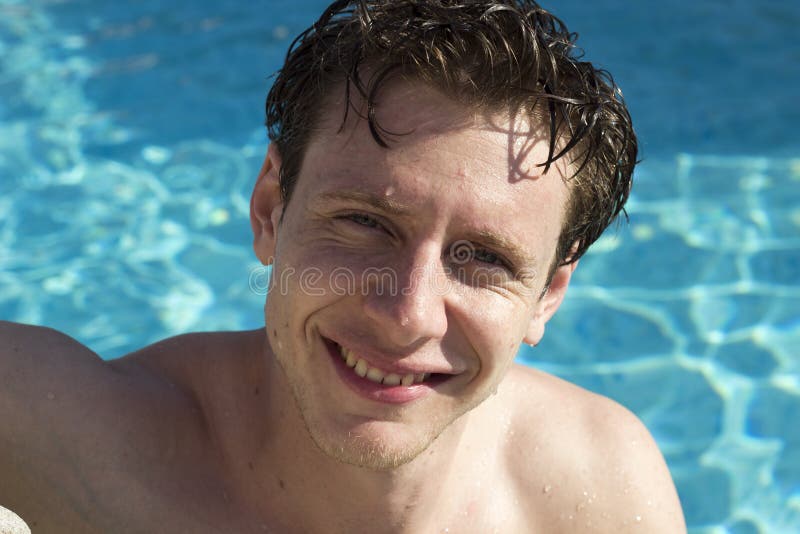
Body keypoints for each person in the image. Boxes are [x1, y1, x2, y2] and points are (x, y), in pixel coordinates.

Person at [0, 1, 686, 532]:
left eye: (484, 258)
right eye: (365, 223)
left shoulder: (597, 492)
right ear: (270, 209)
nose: (408, 315)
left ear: (548, 295)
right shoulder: (71, 436)